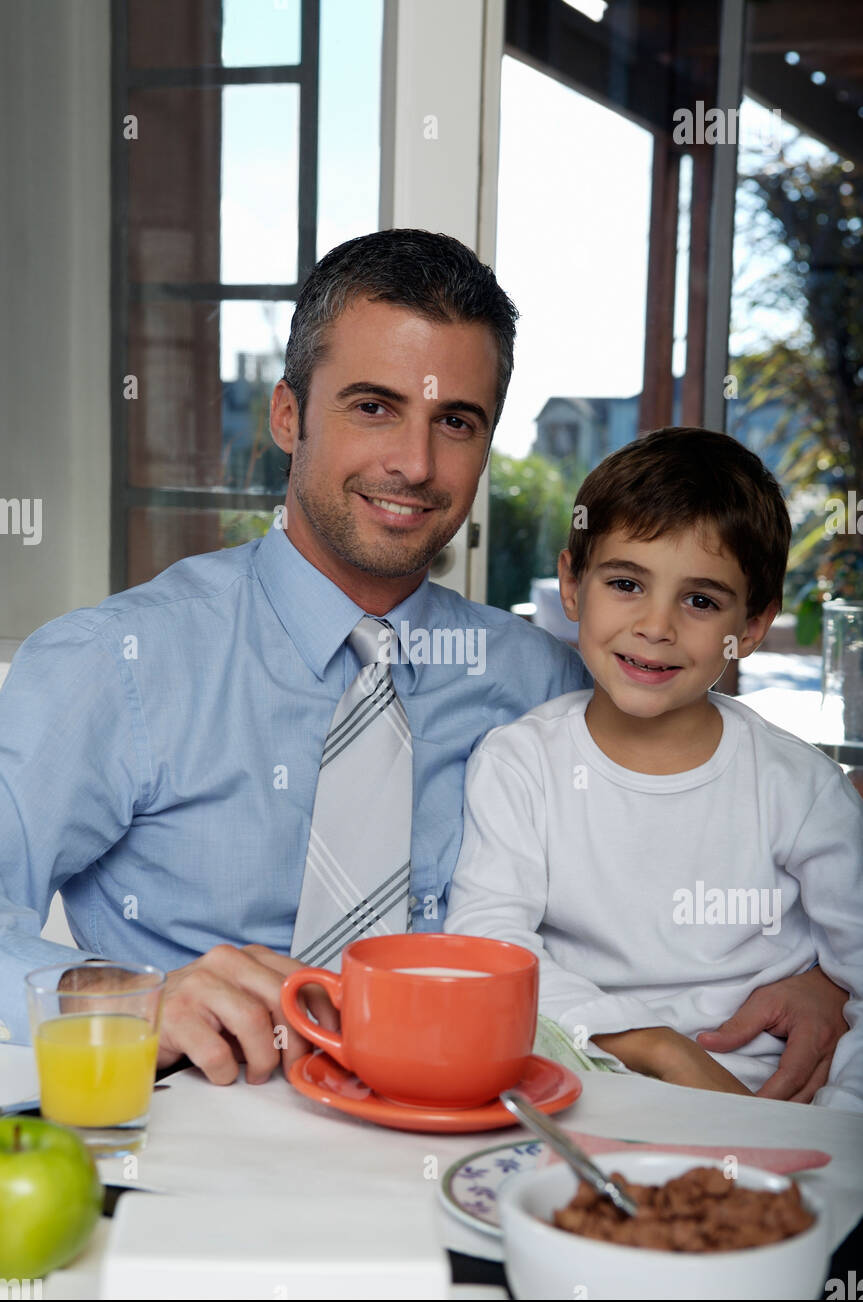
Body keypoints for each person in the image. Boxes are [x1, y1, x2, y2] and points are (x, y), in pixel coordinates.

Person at [0, 233, 849, 1095]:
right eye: (373, 406)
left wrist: (821, 973)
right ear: (288, 415)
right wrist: (118, 996)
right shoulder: (116, 665)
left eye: (455, 422)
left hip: (493, 1150)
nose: (414, 463)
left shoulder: (549, 684)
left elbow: (730, 821)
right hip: (203, 1138)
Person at [445, 427, 863, 1109]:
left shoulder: (798, 788)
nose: (656, 626)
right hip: (582, 1081)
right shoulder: (519, 763)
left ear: (752, 626)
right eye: (625, 583)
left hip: (770, 1104)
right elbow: (489, 945)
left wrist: (836, 1128)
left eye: (700, 601)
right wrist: (659, 1049)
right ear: (572, 587)